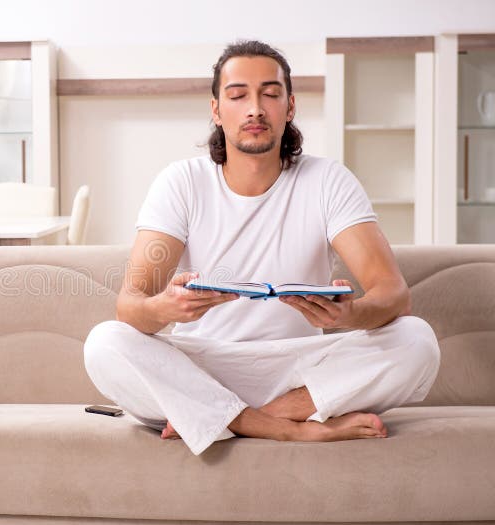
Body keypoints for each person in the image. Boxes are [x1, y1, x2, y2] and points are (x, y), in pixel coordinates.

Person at [82, 40, 441, 456]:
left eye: (270, 94)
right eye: (238, 96)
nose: (255, 108)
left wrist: (350, 314)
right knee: (104, 343)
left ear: (289, 107)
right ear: (216, 109)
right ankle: (284, 428)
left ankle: (227, 418)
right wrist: (168, 307)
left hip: (299, 370)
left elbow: (394, 294)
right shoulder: (180, 183)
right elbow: (130, 306)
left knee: (417, 340)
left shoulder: (328, 181)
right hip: (202, 364)